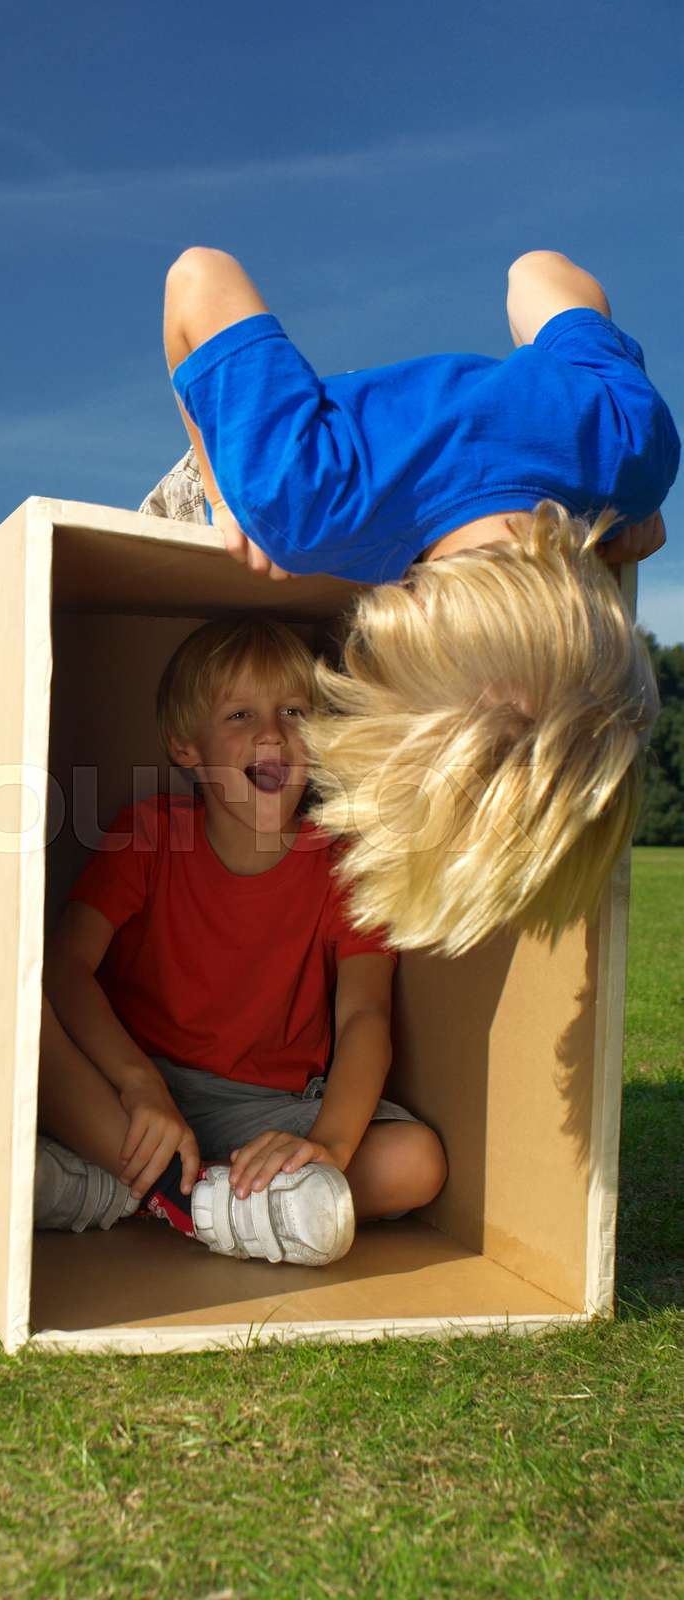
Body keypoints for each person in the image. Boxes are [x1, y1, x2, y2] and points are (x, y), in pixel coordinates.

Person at [139, 248, 680, 956]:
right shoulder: (302, 496)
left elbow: (538, 271)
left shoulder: (631, 447)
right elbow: (194, 277)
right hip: (243, 470)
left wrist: (609, 504)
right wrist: (222, 495)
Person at [34, 616, 447, 1266]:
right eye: (239, 715)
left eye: (292, 711)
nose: (271, 733)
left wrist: (332, 1149)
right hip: (134, 1090)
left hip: (269, 1112)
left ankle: (128, 1193)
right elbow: (62, 969)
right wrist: (140, 1084)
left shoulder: (340, 862)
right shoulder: (147, 832)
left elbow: (365, 1013)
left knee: (414, 1162)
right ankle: (214, 1205)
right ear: (185, 749)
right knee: (27, 1025)